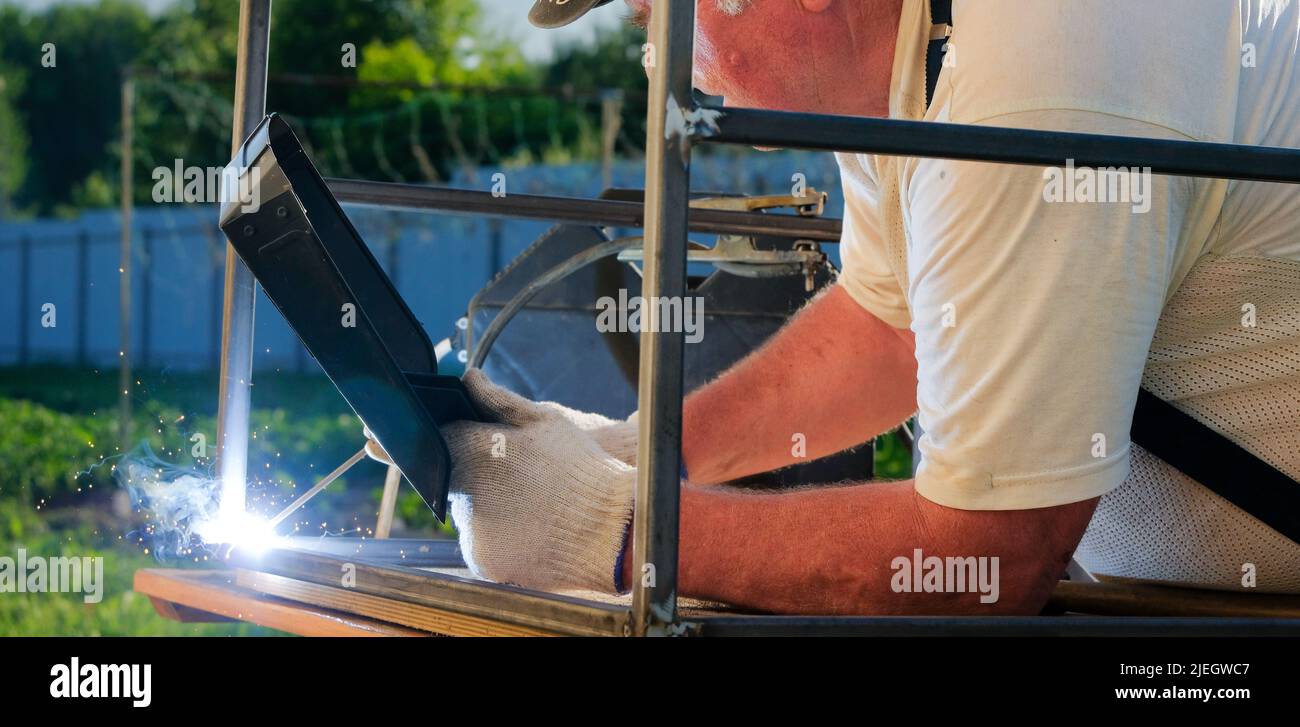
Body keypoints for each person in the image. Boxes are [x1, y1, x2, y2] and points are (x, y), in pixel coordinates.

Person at [368, 0, 1300, 614]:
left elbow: (992, 556)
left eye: (666, 9)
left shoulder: (1038, 74)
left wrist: (612, 530)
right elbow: (889, 331)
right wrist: (637, 450)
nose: (667, 65)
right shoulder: (913, 60)